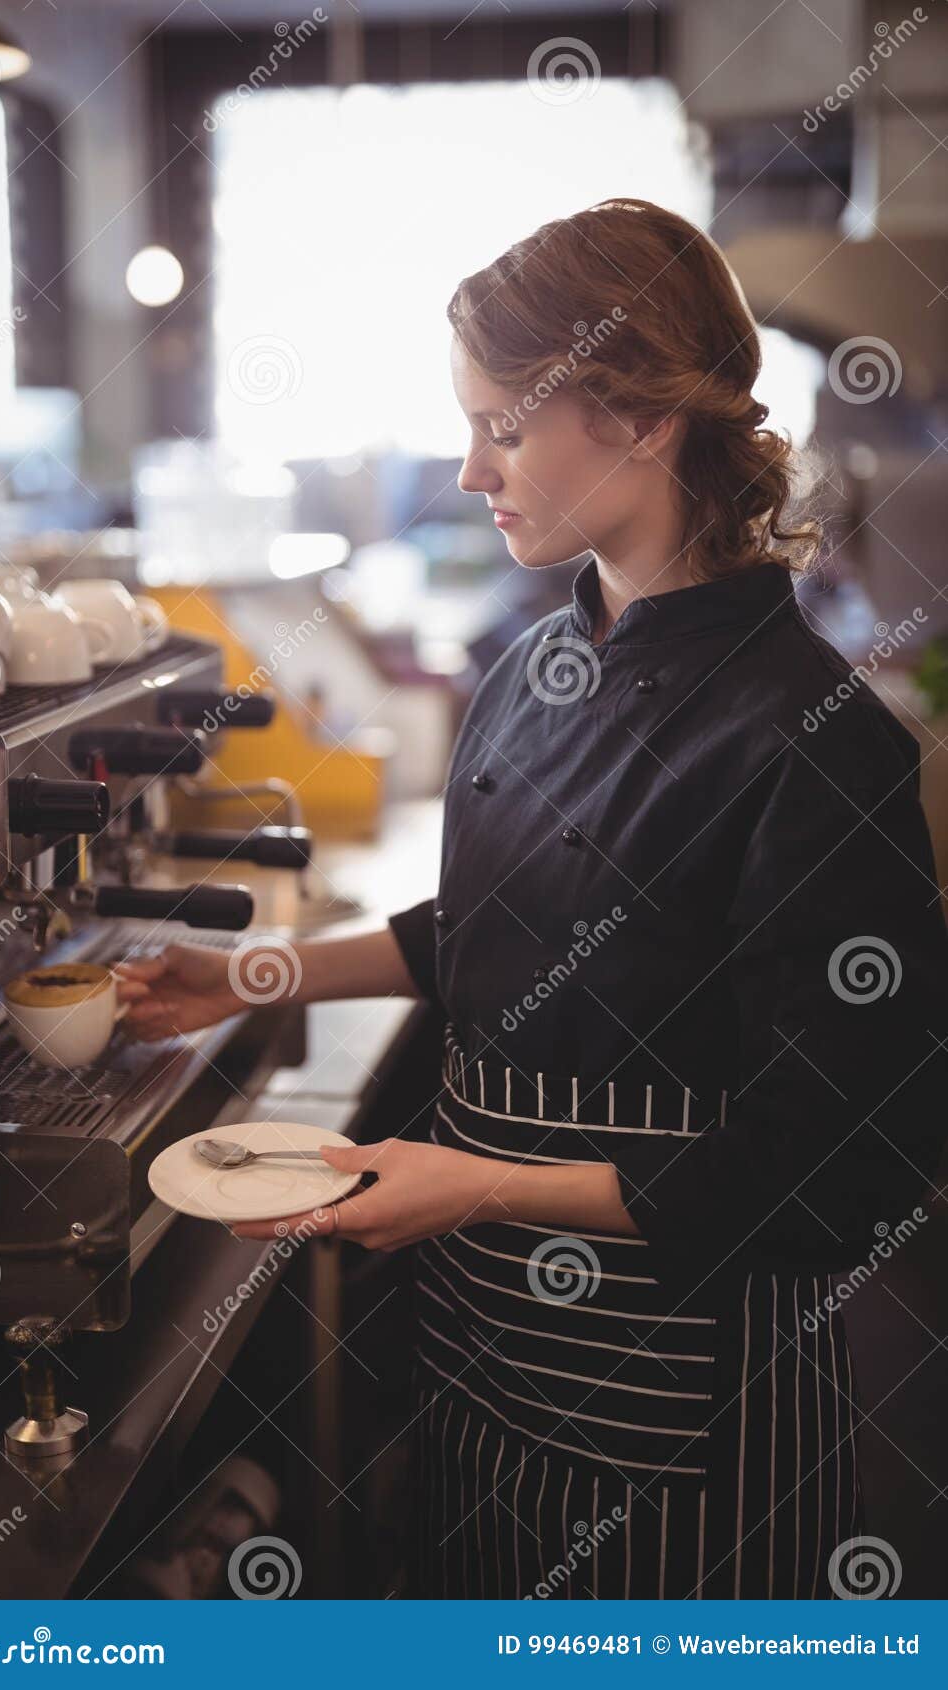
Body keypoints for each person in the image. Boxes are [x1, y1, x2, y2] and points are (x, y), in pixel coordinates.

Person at [116, 199, 948, 1601]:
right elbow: (512, 930)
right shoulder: (531, 672)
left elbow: (849, 1165)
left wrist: (474, 1185)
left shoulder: (816, 741)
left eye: (503, 425)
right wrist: (255, 977)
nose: (466, 467)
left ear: (636, 418)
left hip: (687, 1419)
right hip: (492, 1356)